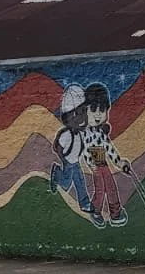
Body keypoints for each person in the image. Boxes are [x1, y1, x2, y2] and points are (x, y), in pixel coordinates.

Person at [80, 83, 132, 227]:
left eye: (102, 110)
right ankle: (95, 210)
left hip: (102, 161)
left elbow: (109, 148)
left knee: (111, 186)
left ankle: (115, 213)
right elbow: (84, 149)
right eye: (94, 109)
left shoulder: (101, 133)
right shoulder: (85, 132)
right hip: (95, 162)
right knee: (100, 188)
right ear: (85, 110)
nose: (98, 114)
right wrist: (91, 163)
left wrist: (120, 163)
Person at [49, 85, 101, 225]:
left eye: (83, 111)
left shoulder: (82, 133)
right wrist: (64, 160)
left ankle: (84, 203)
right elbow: (57, 146)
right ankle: (57, 173)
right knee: (66, 184)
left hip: (75, 162)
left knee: (80, 182)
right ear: (68, 118)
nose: (82, 117)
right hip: (68, 162)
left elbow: (88, 144)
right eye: (77, 114)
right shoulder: (66, 134)